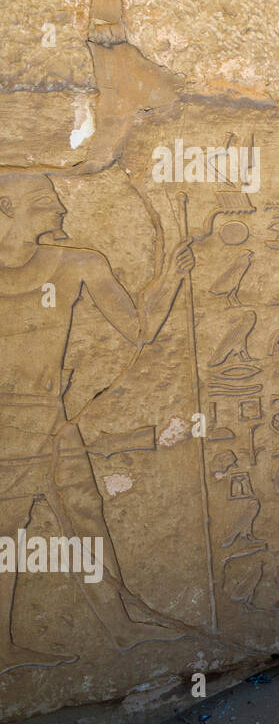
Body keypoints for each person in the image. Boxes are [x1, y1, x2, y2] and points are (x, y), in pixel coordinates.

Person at [0, 169, 193, 672]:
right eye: (46, 200)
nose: (61, 208)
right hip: (7, 423)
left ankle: (121, 627)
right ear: (6, 209)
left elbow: (140, 332)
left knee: (86, 512)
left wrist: (170, 276)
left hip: (54, 416)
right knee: (7, 530)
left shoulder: (79, 262)